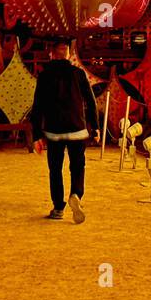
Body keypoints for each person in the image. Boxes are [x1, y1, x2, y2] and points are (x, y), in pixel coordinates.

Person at [30, 42, 99, 223]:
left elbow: (37, 107)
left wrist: (36, 135)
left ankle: (58, 208)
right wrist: (96, 127)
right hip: (77, 129)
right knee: (77, 166)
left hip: (54, 132)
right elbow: (91, 102)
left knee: (55, 169)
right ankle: (76, 193)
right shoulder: (78, 74)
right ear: (68, 55)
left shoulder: (44, 76)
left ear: (52, 54)